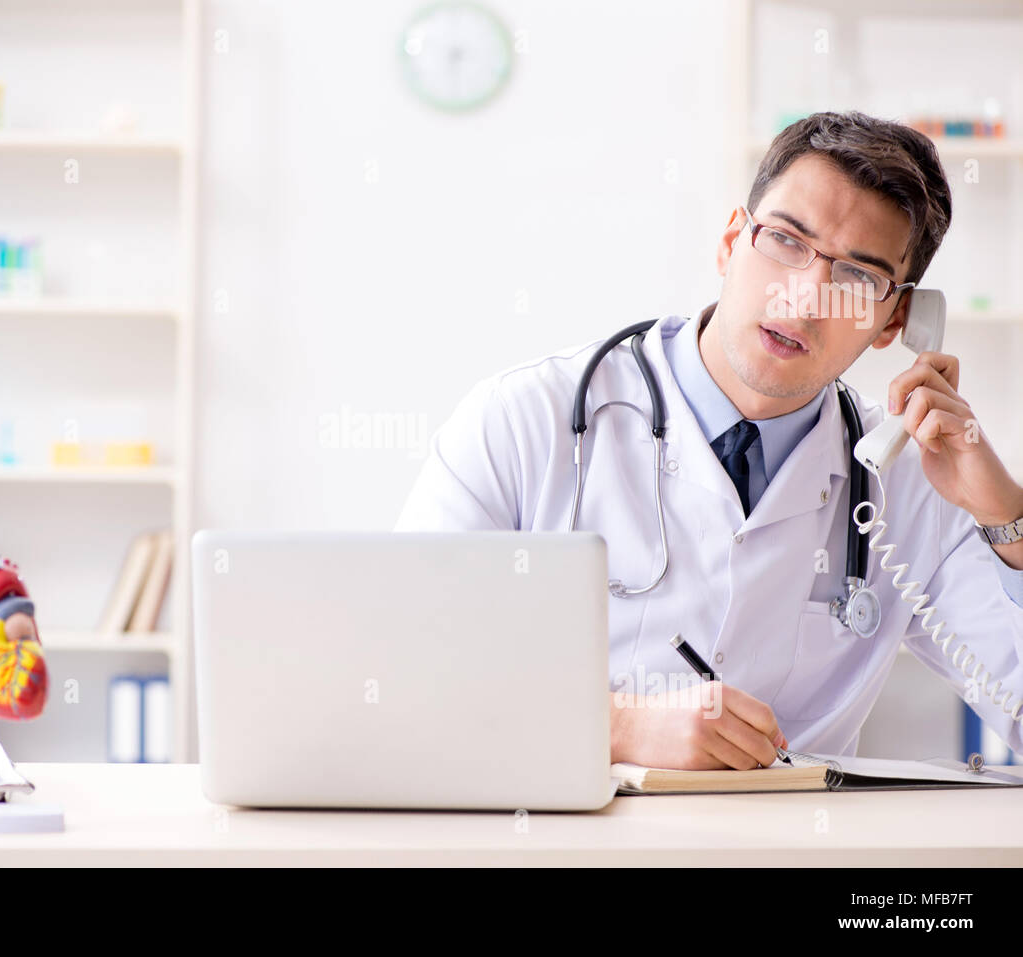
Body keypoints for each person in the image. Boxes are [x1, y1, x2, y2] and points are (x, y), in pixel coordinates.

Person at [394, 111, 1023, 771]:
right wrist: (614, 726)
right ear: (731, 242)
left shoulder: (908, 479)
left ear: (897, 320)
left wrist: (1008, 517)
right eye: (785, 240)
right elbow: (399, 669)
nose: (807, 299)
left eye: (858, 279)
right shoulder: (526, 420)